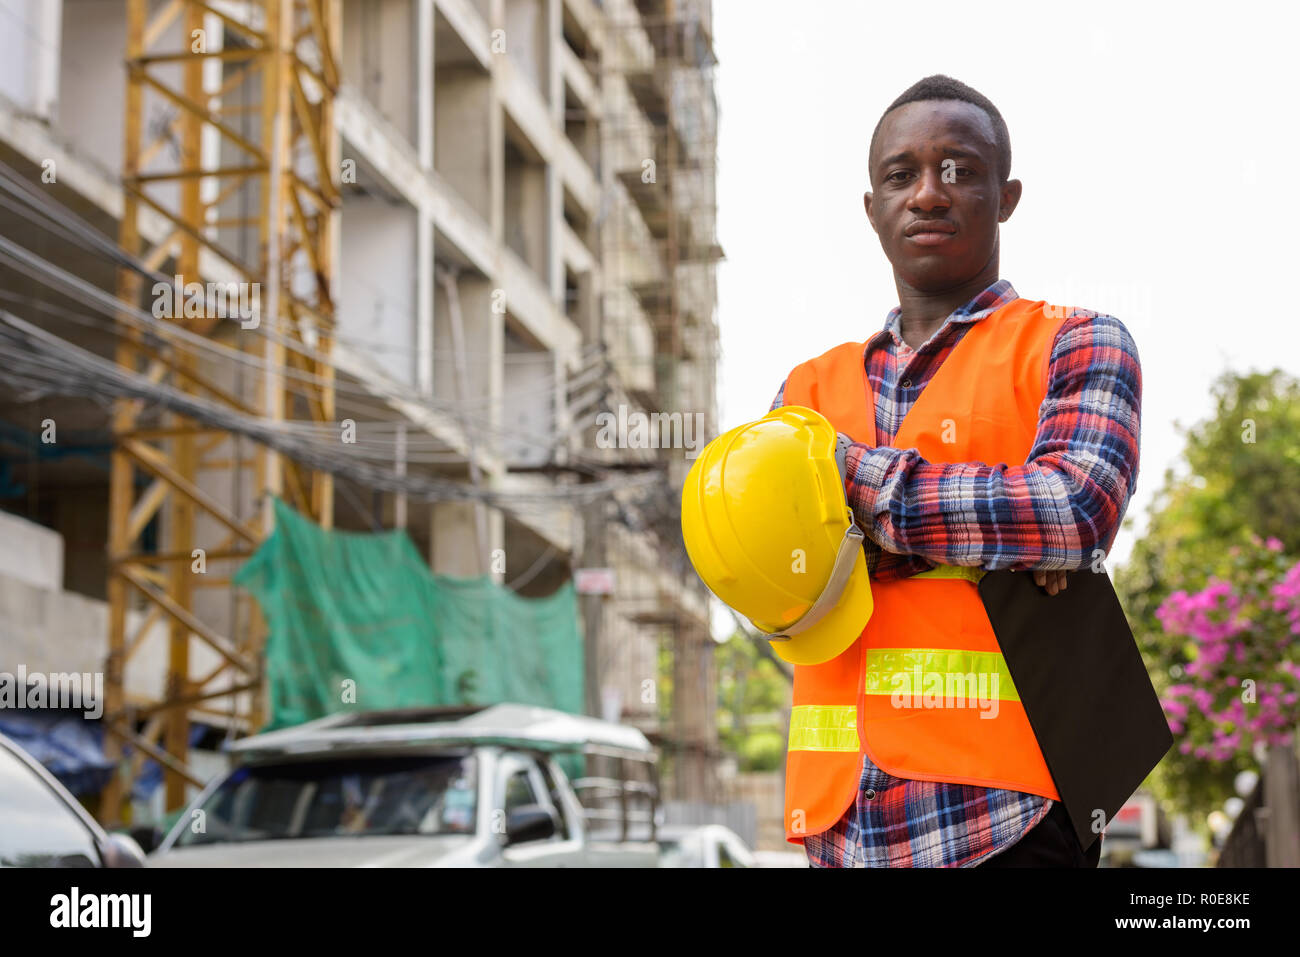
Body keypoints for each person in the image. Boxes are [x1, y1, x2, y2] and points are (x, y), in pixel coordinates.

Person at [769, 75, 1142, 868]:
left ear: (1006, 197)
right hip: (839, 823)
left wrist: (848, 487)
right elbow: (765, 577)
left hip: (1010, 814)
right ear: (871, 207)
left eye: (960, 170)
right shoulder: (806, 390)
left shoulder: (1079, 342)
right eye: (901, 175)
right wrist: (989, 535)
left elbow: (1072, 511)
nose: (929, 193)